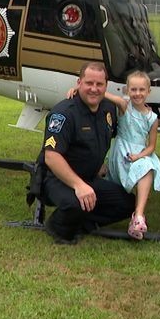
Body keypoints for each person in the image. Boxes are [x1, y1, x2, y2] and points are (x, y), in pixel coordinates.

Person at [35, 61, 135, 244]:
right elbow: (51, 157)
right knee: (75, 204)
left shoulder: (108, 109)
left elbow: (120, 128)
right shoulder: (64, 114)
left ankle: (82, 224)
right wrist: (79, 186)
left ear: (106, 86)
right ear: (79, 83)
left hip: (89, 178)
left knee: (127, 203)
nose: (94, 89)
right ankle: (57, 227)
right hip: (57, 179)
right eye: (89, 83)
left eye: (99, 84)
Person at [101, 71, 160, 240]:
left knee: (148, 167)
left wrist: (139, 156)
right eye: (134, 89)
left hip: (140, 153)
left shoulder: (152, 118)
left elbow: (151, 146)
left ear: (148, 91)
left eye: (142, 90)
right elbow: (101, 93)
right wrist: (76, 89)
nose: (137, 93)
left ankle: (138, 216)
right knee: (143, 167)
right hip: (122, 151)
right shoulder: (124, 106)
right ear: (127, 90)